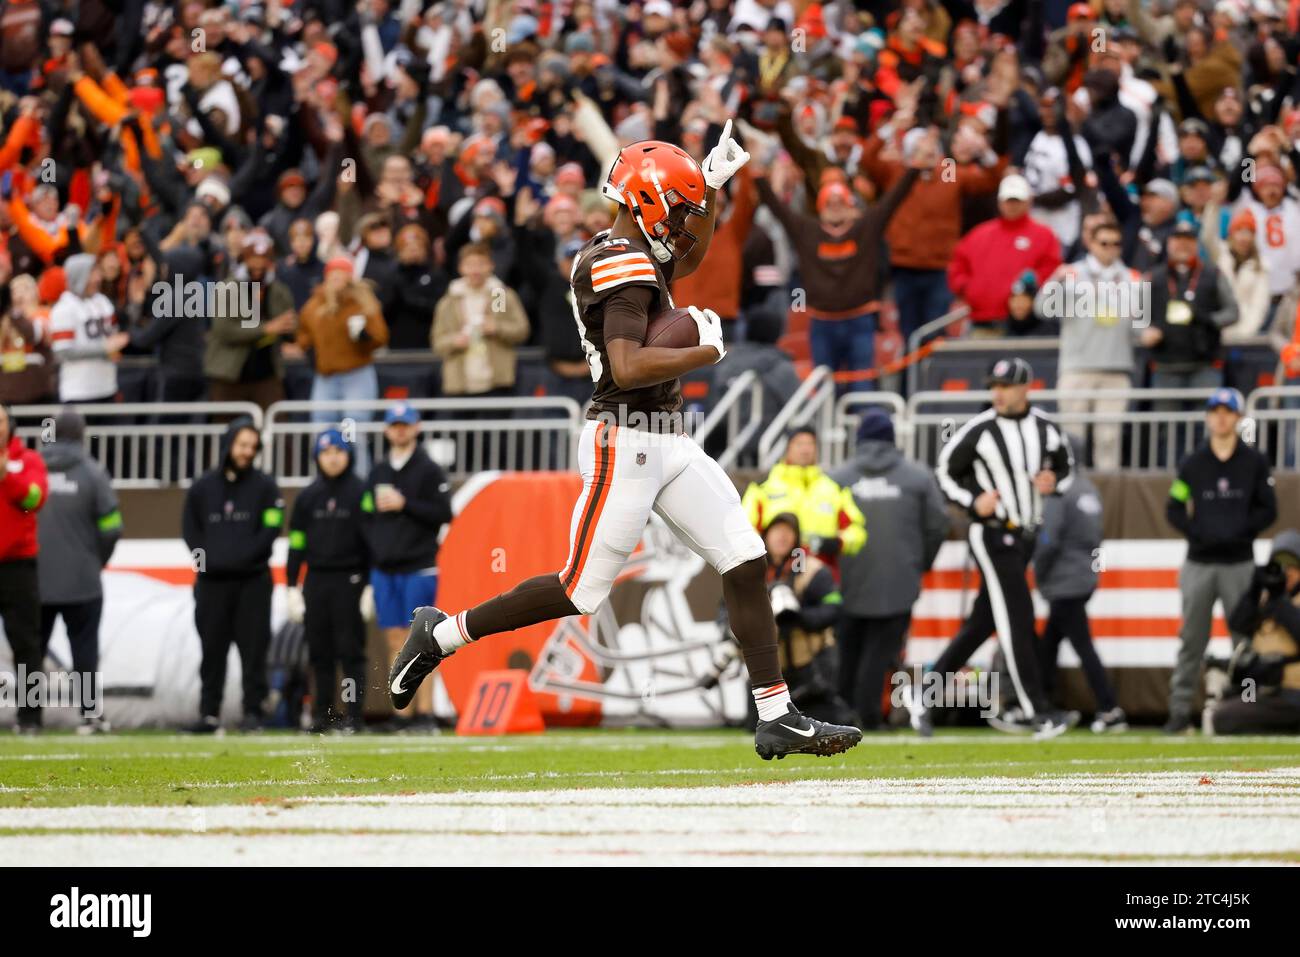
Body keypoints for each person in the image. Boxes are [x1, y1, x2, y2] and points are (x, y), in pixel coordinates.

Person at [387, 129, 864, 759]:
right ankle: (441, 634)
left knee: (745, 560)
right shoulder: (619, 259)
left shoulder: (636, 249)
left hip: (669, 439)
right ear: (649, 201)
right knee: (580, 589)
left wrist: (714, 185)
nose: (689, 222)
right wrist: (706, 351)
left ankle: (776, 713)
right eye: (682, 207)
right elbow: (631, 366)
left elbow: (686, 260)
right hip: (626, 440)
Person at [908, 357, 1077, 737]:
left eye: (1006, 386)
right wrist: (972, 502)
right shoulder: (980, 430)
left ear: (1025, 388)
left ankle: (923, 695)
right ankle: (1037, 710)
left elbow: (1068, 470)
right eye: (994, 387)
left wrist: (1054, 481)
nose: (998, 393)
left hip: (1025, 536)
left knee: (982, 624)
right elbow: (944, 472)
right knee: (1018, 617)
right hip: (992, 533)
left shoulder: (1047, 429)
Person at [754, 152, 923, 392]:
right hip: (822, 322)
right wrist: (759, 177)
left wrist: (914, 169)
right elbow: (778, 210)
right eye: (829, 204)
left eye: (840, 202)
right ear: (820, 208)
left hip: (860, 320)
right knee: (823, 387)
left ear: (850, 205)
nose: (835, 208)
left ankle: (862, 429)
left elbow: (892, 200)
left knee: (862, 382)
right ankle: (823, 430)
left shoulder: (865, 227)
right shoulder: (807, 230)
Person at [1164, 387, 1278, 734]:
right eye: (1214, 410)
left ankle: (1247, 712)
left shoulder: (1254, 461)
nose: (1220, 417)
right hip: (1200, 563)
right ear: (1207, 417)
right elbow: (1174, 506)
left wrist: (1241, 533)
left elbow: (1268, 508)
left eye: (1227, 411)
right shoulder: (1193, 463)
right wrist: (1198, 532)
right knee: (1191, 641)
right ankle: (1180, 713)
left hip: (1240, 564)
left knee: (1244, 642)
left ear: (1239, 417)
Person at [830, 409, 949, 729]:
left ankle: (841, 714)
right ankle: (868, 716)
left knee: (848, 652)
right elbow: (939, 525)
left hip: (846, 582)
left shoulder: (837, 478)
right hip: (899, 580)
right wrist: (918, 563)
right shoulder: (918, 476)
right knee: (880, 654)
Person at [181, 417, 284, 732]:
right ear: (228, 444)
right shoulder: (202, 488)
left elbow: (271, 528)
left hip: (253, 582)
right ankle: (208, 713)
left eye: (252, 447)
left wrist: (241, 559)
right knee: (212, 650)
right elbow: (190, 530)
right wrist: (209, 562)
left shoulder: (266, 487)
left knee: (254, 651)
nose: (247, 452)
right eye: (242, 445)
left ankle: (253, 713)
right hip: (211, 584)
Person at [36, 408, 121, 734]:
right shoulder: (93, 472)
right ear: (82, 435)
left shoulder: (33, 468)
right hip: (83, 580)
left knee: (32, 651)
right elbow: (112, 527)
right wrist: (97, 559)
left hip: (36, 579)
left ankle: (31, 718)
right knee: (84, 649)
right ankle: (89, 715)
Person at [365, 402, 452, 719]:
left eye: (405, 424)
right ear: (387, 430)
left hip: (418, 565)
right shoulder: (378, 471)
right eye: (394, 425)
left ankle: (425, 712)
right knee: (394, 640)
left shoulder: (428, 469)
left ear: (416, 427)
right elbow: (365, 516)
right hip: (386, 567)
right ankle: (401, 714)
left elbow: (443, 513)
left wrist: (405, 504)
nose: (400, 430)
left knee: (424, 641)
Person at [285, 429, 371, 734]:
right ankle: (322, 715)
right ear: (317, 457)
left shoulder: (362, 492)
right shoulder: (307, 497)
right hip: (317, 581)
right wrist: (292, 585)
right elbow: (296, 543)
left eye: (338, 451)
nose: (332, 458)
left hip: (351, 580)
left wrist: (369, 585)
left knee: (350, 652)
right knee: (319, 653)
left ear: (348, 455)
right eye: (326, 452)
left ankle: (354, 716)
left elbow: (371, 540)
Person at [1039, 218, 1141, 472]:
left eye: (1116, 244)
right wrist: (1055, 280)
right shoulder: (1071, 273)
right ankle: (1073, 495)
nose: (1110, 248)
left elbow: (1140, 327)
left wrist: (1147, 333)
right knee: (1073, 438)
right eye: (1104, 243)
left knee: (1110, 439)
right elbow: (1041, 309)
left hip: (1116, 368)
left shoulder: (1132, 278)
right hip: (1077, 367)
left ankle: (1108, 501)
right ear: (1091, 243)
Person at [1032, 457, 1127, 733]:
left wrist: (1040, 574)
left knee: (1082, 646)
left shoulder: (1060, 493)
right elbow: (1097, 537)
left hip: (1065, 582)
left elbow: (1047, 541)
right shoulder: (1089, 490)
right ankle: (1041, 704)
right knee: (1048, 645)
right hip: (1083, 577)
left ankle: (1109, 708)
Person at [750, 511, 858, 728]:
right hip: (768, 668)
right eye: (777, 531)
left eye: (788, 533)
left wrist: (800, 618)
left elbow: (834, 608)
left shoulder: (813, 570)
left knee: (826, 722)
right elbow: (729, 609)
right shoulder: (751, 571)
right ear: (765, 536)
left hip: (810, 665)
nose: (782, 537)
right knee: (756, 726)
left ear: (797, 539)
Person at [296, 257, 390, 475]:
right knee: (322, 431)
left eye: (342, 272)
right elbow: (303, 332)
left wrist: (366, 337)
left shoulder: (363, 302)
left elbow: (381, 337)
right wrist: (308, 350)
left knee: (352, 430)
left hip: (356, 374)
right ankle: (322, 481)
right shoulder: (316, 303)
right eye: (333, 273)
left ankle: (357, 481)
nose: (337, 277)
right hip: (326, 376)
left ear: (350, 276)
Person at [948, 175, 1063, 336]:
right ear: (1000, 201)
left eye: (1017, 200)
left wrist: (1030, 290)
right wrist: (969, 288)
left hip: (1026, 326)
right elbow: (958, 266)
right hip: (983, 322)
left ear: (1028, 201)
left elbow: (1052, 270)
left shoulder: (1044, 235)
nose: (1012, 205)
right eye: (1009, 200)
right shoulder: (979, 235)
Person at [1209, 530, 1300, 734]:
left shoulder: (1283, 601)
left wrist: (1280, 601)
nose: (1287, 573)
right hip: (1262, 688)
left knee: (1228, 717)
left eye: (1293, 565)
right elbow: (1238, 625)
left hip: (1293, 690)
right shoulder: (1266, 599)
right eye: (1280, 566)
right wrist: (1253, 591)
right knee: (1227, 705)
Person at [742, 427, 866, 570]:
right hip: (775, 573)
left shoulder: (834, 489)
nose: (805, 450)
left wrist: (838, 542)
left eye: (810, 444)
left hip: (820, 573)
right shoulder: (763, 488)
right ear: (788, 448)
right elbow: (745, 532)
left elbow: (857, 531)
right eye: (799, 444)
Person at [1142, 220, 1237, 401]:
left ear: (1196, 244)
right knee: (1166, 425)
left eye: (1189, 240)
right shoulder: (1153, 276)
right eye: (1177, 239)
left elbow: (1233, 312)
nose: (1182, 245)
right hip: (1165, 365)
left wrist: (1209, 320)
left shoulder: (1213, 274)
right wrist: (1145, 331)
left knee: (1205, 423)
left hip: (1205, 363)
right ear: (1168, 243)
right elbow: (1136, 314)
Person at [431, 242, 531, 401]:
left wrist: (496, 328)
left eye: (481, 264)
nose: (475, 270)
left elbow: (521, 330)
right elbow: (438, 342)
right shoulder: (450, 300)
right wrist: (454, 341)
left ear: (491, 266)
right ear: (461, 267)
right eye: (470, 264)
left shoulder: (499, 294)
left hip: (497, 382)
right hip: (459, 385)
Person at [0, 404, 48, 732]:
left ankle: (30, 718)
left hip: (18, 566)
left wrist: (7, 479)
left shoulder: (28, 460)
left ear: (10, 425)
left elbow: (36, 499)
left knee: (26, 645)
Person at [48, 254, 130, 404]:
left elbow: (113, 339)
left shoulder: (102, 301)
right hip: (79, 391)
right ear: (79, 275)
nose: (98, 278)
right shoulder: (64, 308)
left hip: (107, 386)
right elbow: (64, 352)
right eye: (92, 273)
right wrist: (103, 349)